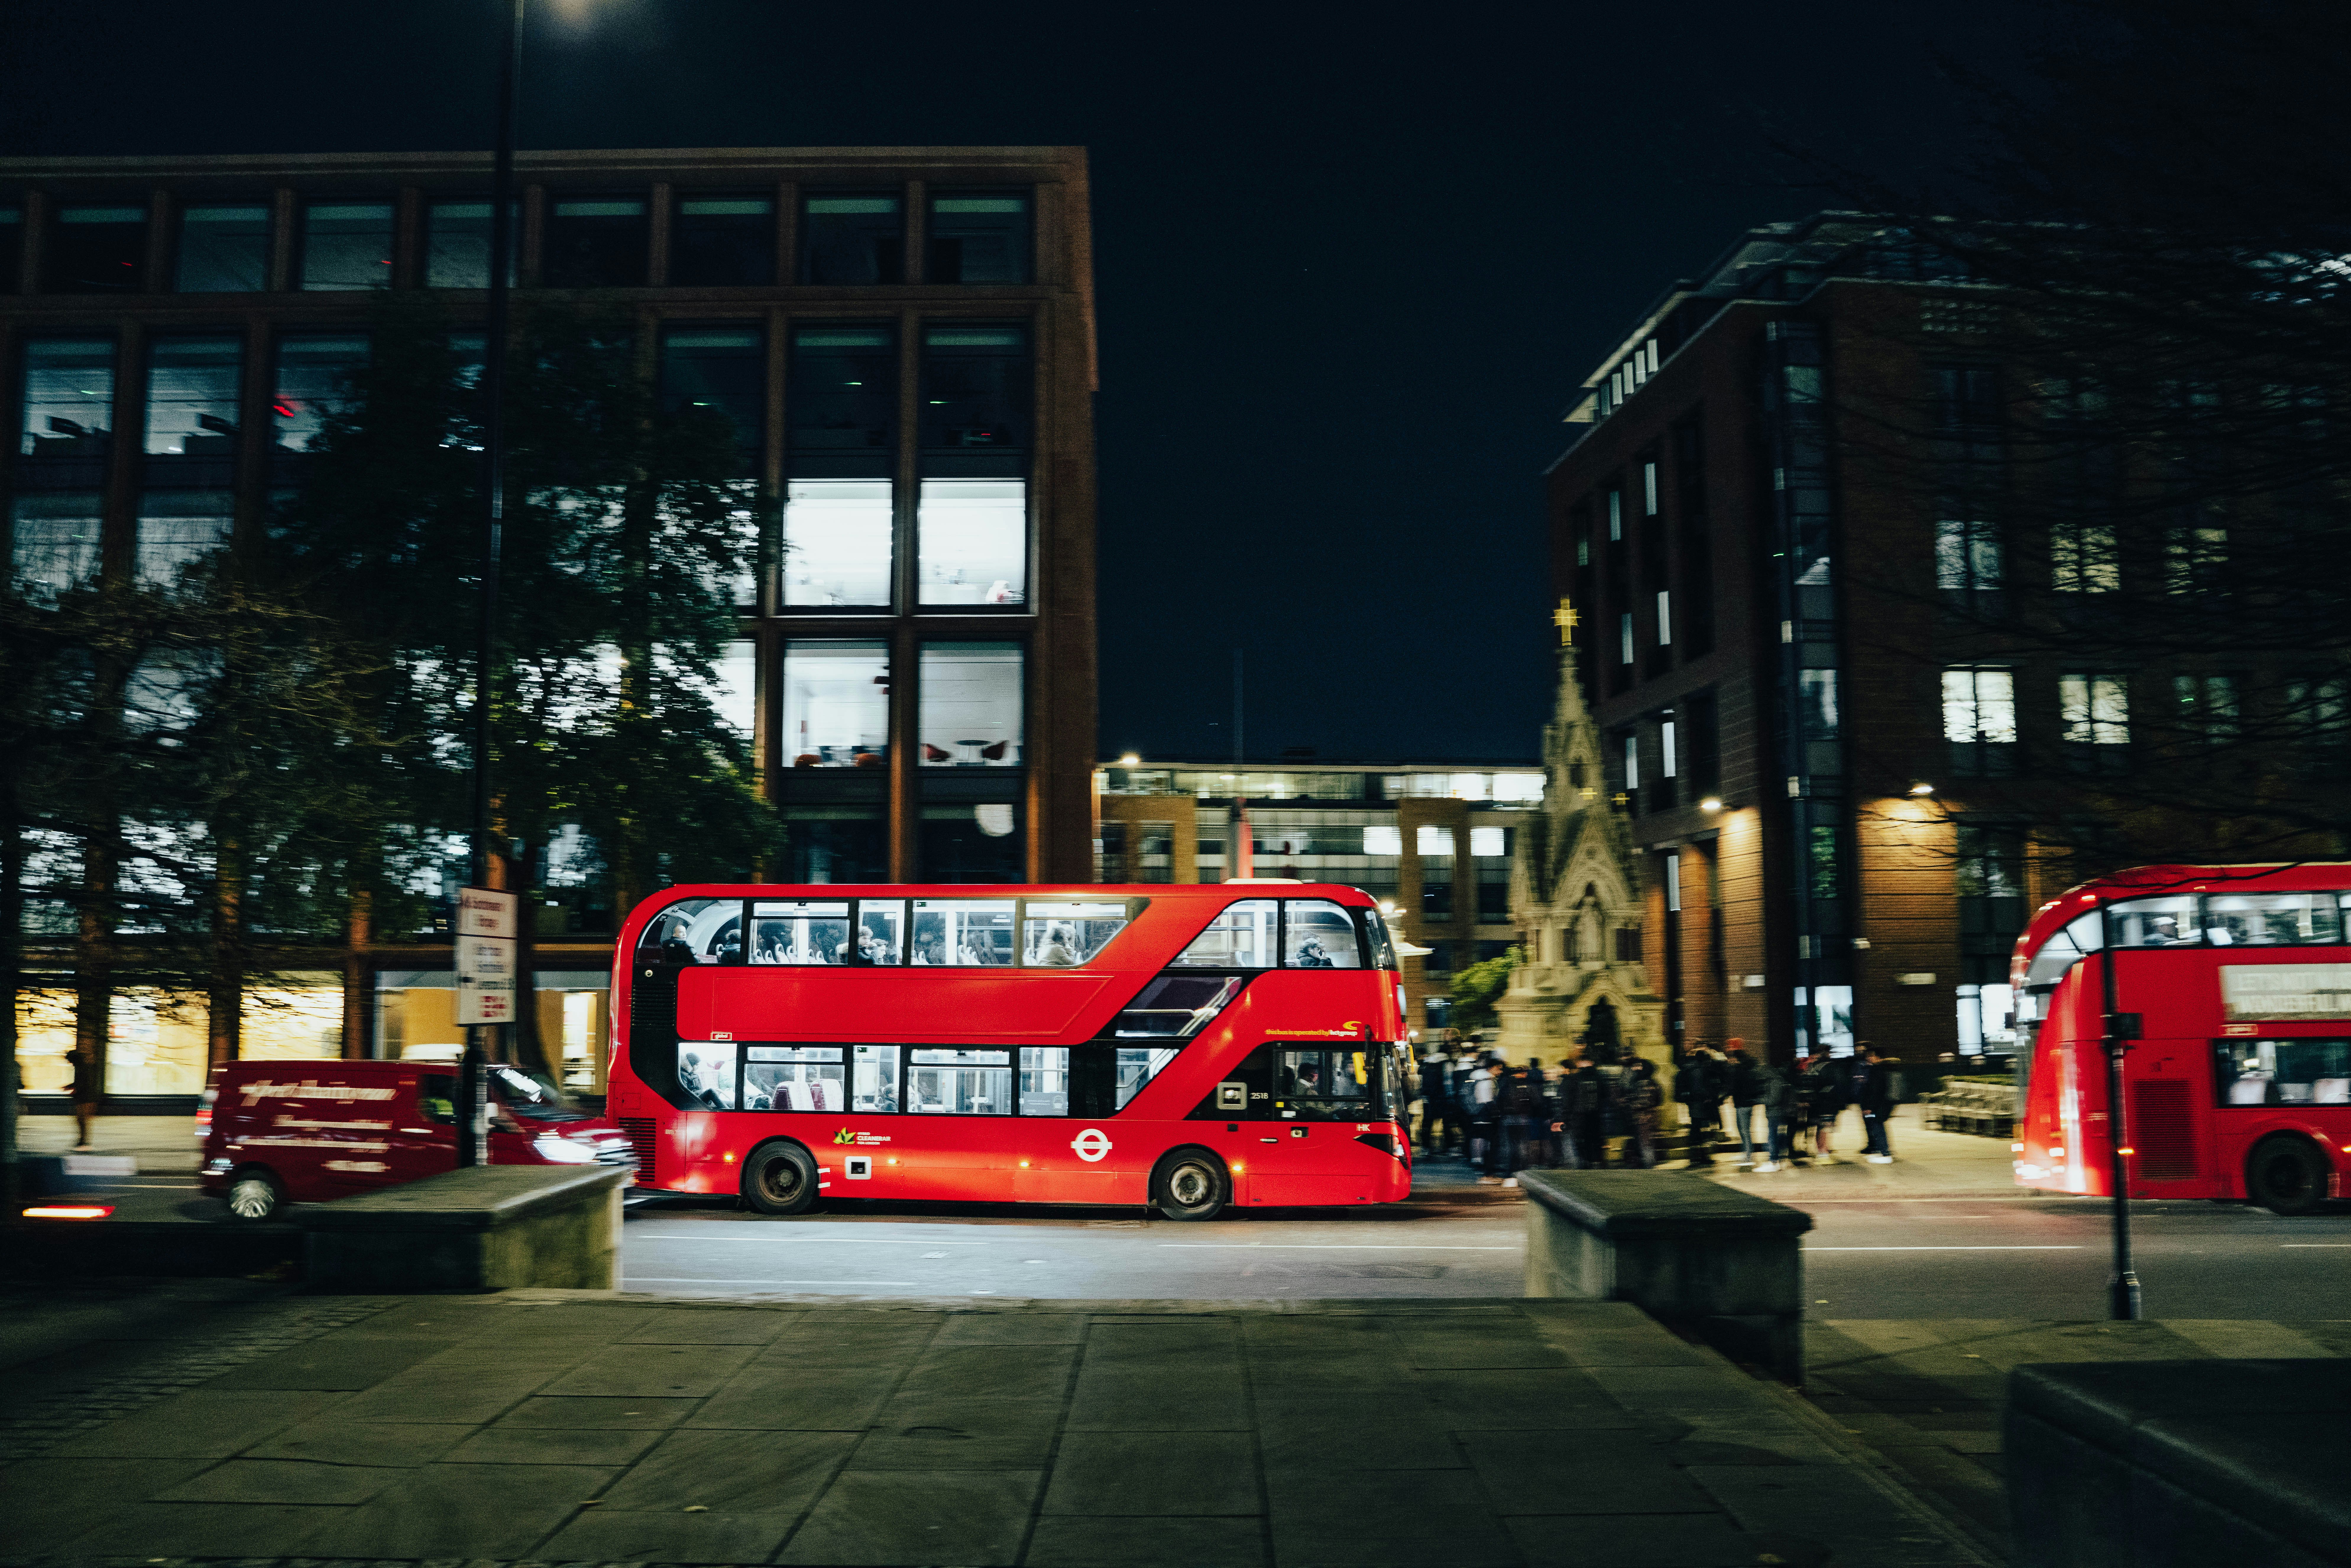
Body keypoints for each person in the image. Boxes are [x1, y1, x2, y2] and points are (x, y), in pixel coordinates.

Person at [1855, 1044, 1901, 1162]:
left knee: (1877, 1126)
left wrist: (1869, 1107)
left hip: (1877, 1106)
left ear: (1877, 1057)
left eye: (1871, 1056)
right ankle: (1883, 1151)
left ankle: (1885, 1154)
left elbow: (1875, 1090)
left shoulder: (1877, 1070)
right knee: (1878, 1126)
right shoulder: (1885, 1068)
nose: (1868, 1058)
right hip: (1884, 1104)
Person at [1726, 1041, 1767, 1168]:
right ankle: (1747, 1152)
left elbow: (1734, 1087)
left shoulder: (1738, 1070)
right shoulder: (1750, 1068)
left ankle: (1748, 1156)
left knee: (1743, 1130)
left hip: (1742, 1103)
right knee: (1746, 1129)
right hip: (1750, 1102)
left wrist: (1725, 1096)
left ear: (1735, 1059)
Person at [1801, 1050, 1848, 1161]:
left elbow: (1807, 1084)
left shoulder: (1812, 1068)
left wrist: (1807, 1099)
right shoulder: (1833, 1068)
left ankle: (1821, 1148)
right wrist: (1842, 1102)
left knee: (1821, 1126)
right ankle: (1823, 1150)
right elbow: (1841, 1085)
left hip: (1816, 1102)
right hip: (1828, 1102)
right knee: (1826, 1126)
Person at [1624, 1056, 1664, 1168]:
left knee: (1646, 1141)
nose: (1635, 1068)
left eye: (1638, 1066)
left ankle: (1649, 1163)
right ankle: (1647, 1161)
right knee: (1646, 1140)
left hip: (1644, 1117)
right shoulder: (1652, 1081)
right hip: (1648, 1116)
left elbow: (1644, 1101)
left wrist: (1631, 1105)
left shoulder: (1644, 1082)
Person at [67, 1042, 101, 1151]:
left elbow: (83, 1084)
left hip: (86, 1098)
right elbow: (81, 1083)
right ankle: (82, 1141)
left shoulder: (82, 1068)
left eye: (70, 1060)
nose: (70, 1063)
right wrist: (70, 1087)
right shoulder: (82, 1067)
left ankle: (84, 1142)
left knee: (82, 1120)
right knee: (81, 1121)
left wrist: (74, 1090)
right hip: (85, 1098)